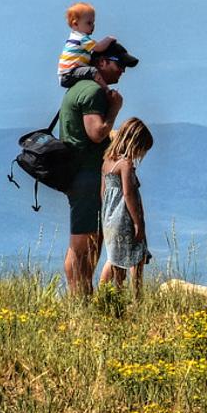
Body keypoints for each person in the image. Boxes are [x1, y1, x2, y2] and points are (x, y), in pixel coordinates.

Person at [57, 49, 127, 298]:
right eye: (119, 64)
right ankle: (79, 300)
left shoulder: (80, 88)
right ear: (102, 62)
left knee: (89, 240)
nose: (122, 71)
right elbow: (96, 132)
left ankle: (82, 295)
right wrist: (115, 108)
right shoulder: (93, 91)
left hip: (80, 174)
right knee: (82, 243)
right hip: (86, 176)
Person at [99, 118, 154, 299]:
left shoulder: (107, 161)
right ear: (134, 143)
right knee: (137, 256)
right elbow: (128, 194)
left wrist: (106, 216)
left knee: (114, 257)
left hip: (110, 216)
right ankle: (137, 297)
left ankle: (105, 293)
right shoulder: (126, 164)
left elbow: (103, 192)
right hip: (125, 217)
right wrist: (138, 223)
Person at [59, 1, 131, 88]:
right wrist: (108, 39)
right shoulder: (81, 38)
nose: (93, 26)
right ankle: (106, 90)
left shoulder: (75, 37)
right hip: (69, 73)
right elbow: (98, 48)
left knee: (89, 72)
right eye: (89, 23)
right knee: (93, 71)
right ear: (76, 24)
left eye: (93, 23)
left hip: (69, 74)